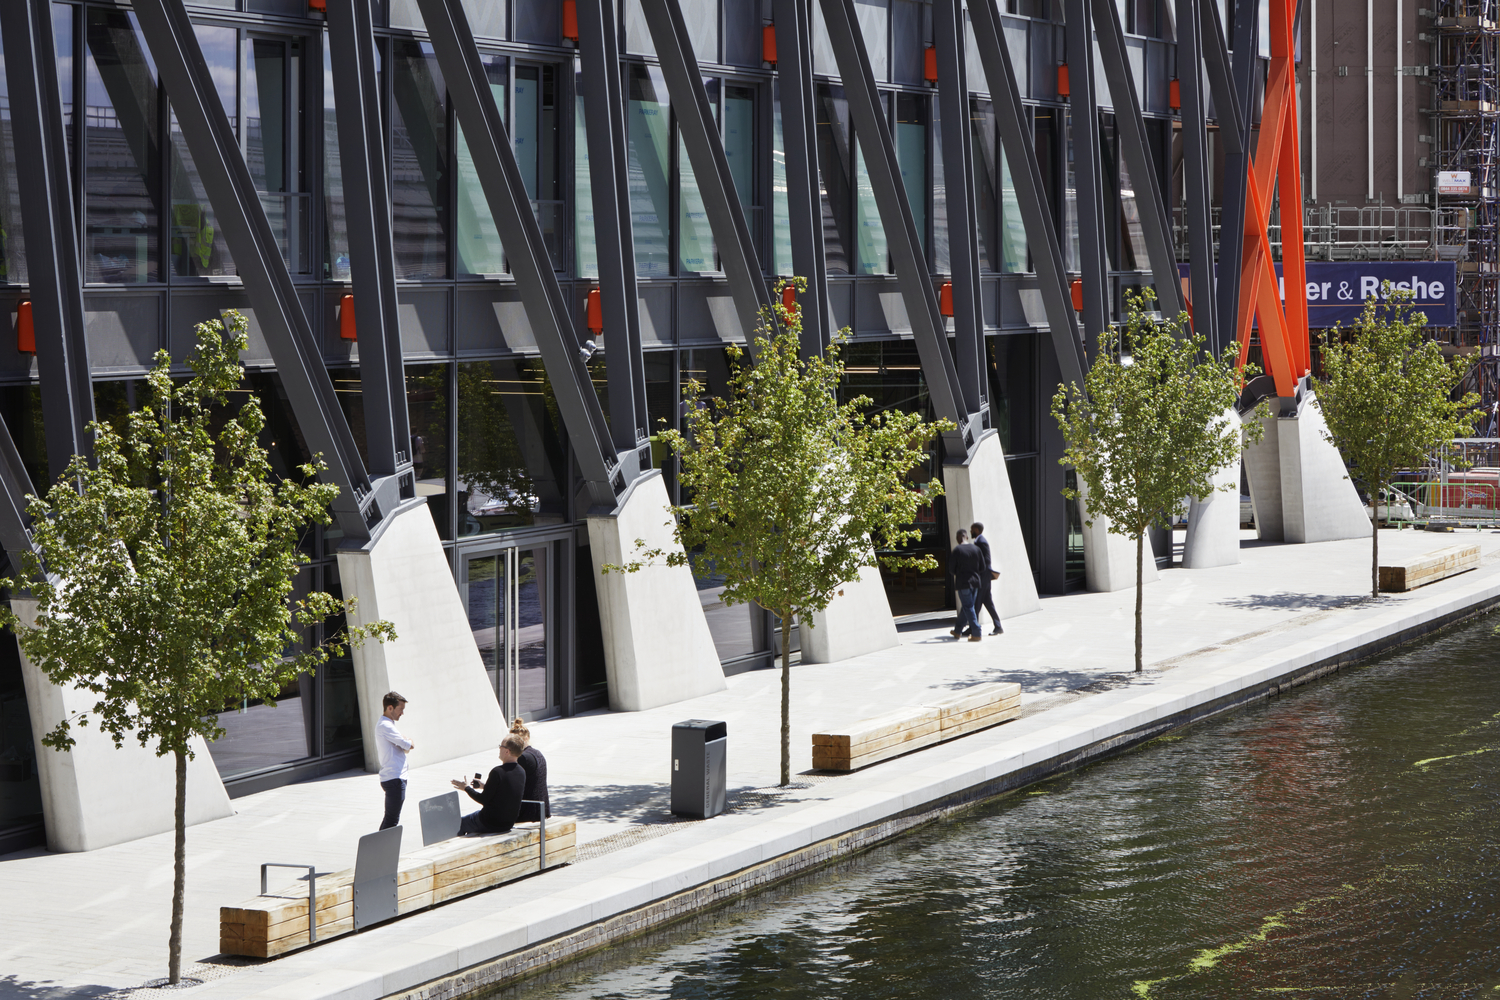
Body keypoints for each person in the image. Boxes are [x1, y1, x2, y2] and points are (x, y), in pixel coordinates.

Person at [451, 734, 528, 835]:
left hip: (489, 822)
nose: (499, 748)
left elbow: (483, 800)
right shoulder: (521, 771)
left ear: (507, 751)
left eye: (501, 745)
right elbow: (505, 792)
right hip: (508, 823)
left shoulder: (498, 772)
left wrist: (466, 788)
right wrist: (484, 786)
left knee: (455, 824)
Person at [376, 691, 415, 831]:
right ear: (390, 708)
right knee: (391, 821)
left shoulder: (389, 725)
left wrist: (405, 743)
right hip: (394, 779)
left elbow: (405, 747)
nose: (402, 713)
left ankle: (381, 851)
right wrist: (408, 741)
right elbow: (409, 745)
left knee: (390, 819)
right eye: (401, 709)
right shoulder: (386, 726)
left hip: (396, 778)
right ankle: (380, 851)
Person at [508, 718, 551, 823]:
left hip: (529, 811)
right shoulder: (537, 753)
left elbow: (511, 785)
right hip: (542, 809)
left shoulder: (522, 758)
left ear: (526, 738)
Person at [948, 529, 986, 642]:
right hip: (976, 582)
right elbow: (982, 567)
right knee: (967, 607)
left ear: (958, 538)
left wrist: (959, 574)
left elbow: (951, 569)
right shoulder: (976, 549)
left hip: (963, 583)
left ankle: (976, 632)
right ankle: (958, 630)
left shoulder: (957, 550)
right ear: (967, 537)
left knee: (968, 607)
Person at [970, 521, 1004, 636]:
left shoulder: (981, 542)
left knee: (977, 602)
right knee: (987, 602)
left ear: (977, 530)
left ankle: (973, 628)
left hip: (983, 577)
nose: (970, 531)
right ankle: (998, 626)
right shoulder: (979, 541)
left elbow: (986, 560)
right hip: (984, 576)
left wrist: (978, 572)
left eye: (972, 529)